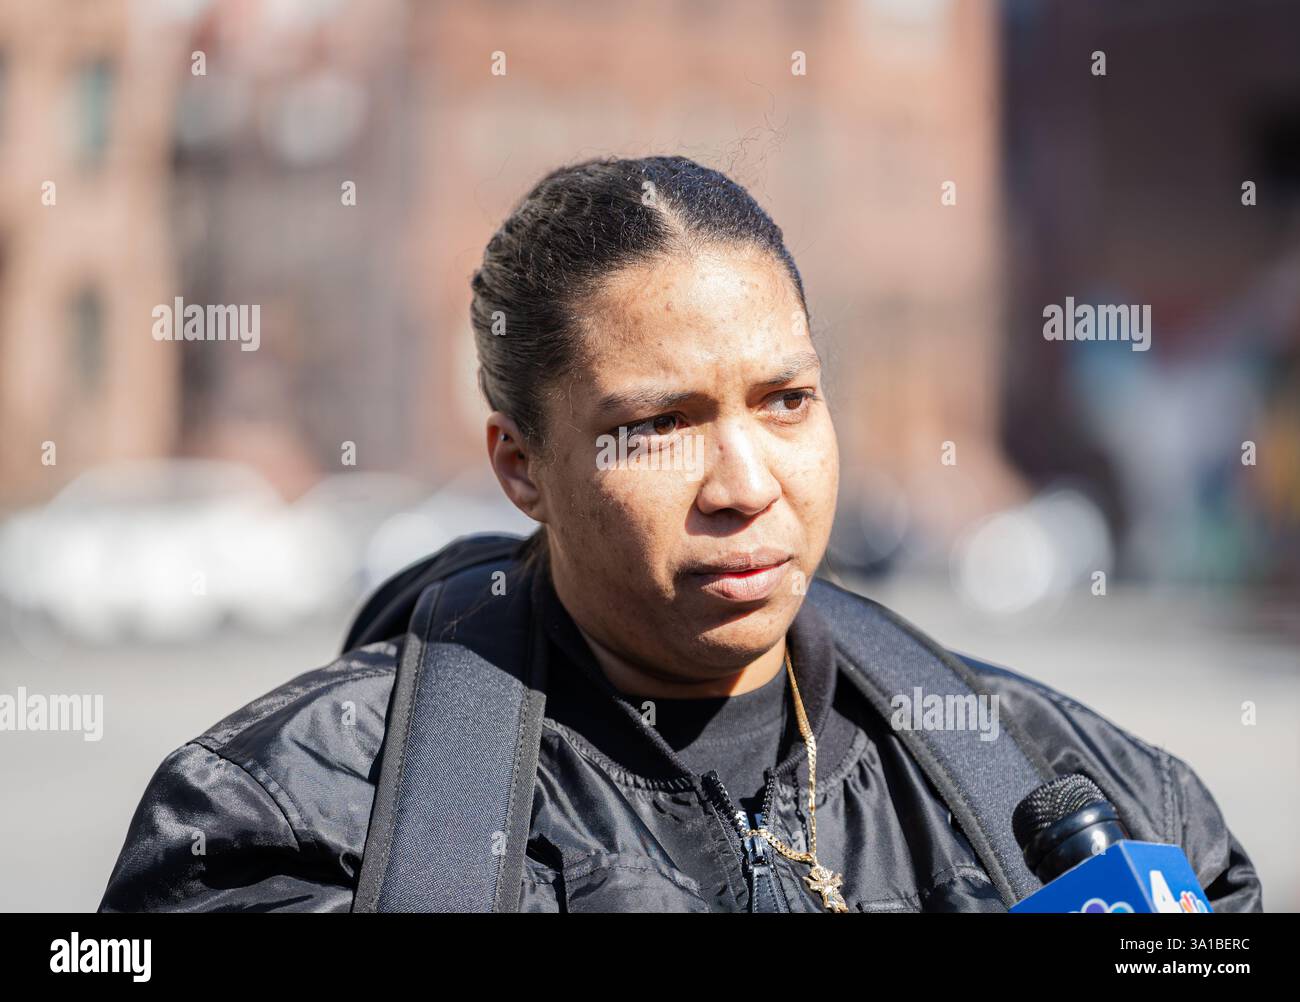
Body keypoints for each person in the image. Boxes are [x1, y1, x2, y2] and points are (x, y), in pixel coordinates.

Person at [99, 156, 1262, 913]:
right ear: (522, 468)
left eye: (786, 402)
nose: (746, 483)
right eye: (658, 427)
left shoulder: (1105, 805)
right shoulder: (289, 827)